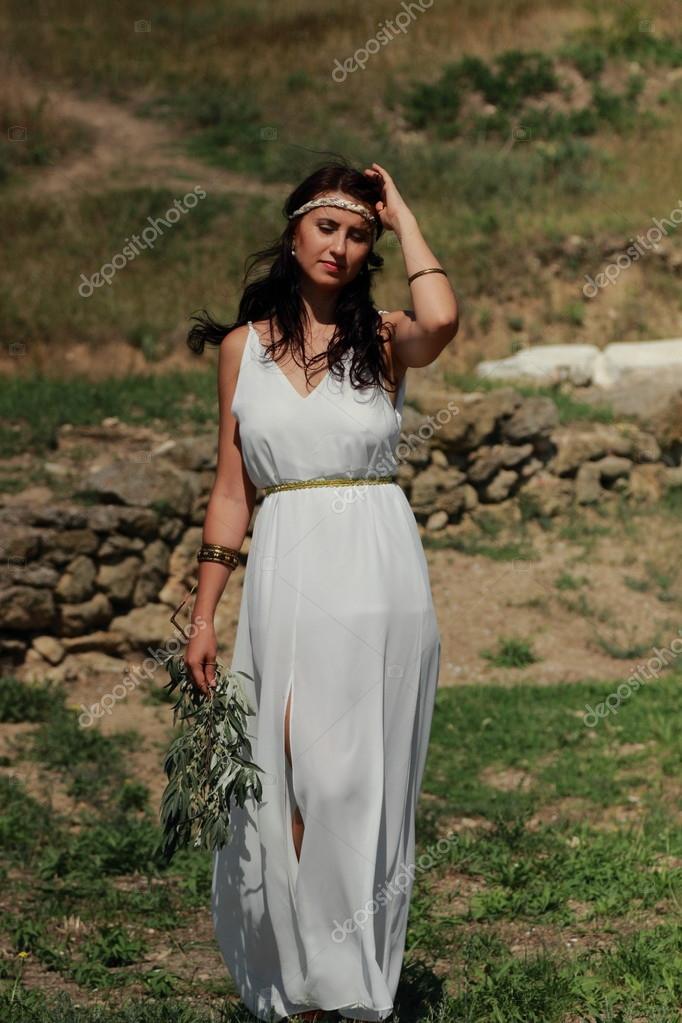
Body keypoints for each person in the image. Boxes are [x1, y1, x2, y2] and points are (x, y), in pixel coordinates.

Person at [183, 159, 459, 1022]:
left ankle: (339, 990)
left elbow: (443, 318)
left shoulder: (381, 336)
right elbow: (233, 488)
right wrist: (202, 615)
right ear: (295, 230)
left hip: (378, 571)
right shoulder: (242, 349)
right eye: (328, 226)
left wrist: (403, 209)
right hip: (286, 569)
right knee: (284, 777)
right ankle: (303, 982)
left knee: (352, 786)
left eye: (358, 233)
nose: (341, 246)